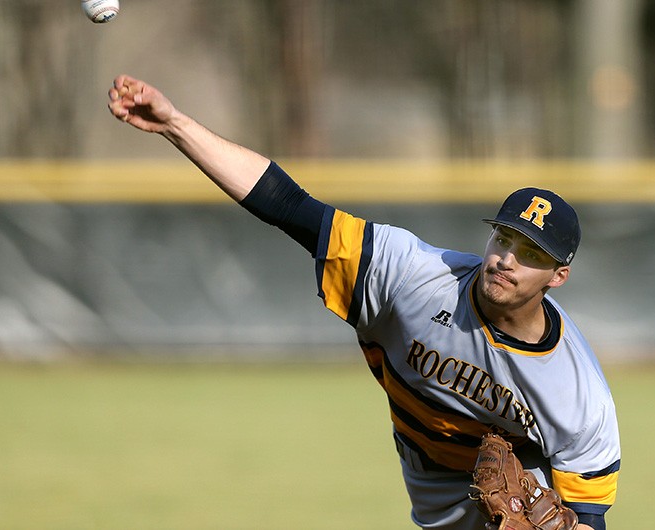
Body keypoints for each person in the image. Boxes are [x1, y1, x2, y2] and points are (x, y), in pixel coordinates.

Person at [107, 74, 621, 530]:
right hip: (429, 478)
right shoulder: (411, 274)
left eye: (530, 253)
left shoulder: (579, 394)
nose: (506, 259)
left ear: (558, 276)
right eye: (503, 239)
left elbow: (590, 515)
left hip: (524, 491)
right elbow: (287, 205)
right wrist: (174, 124)